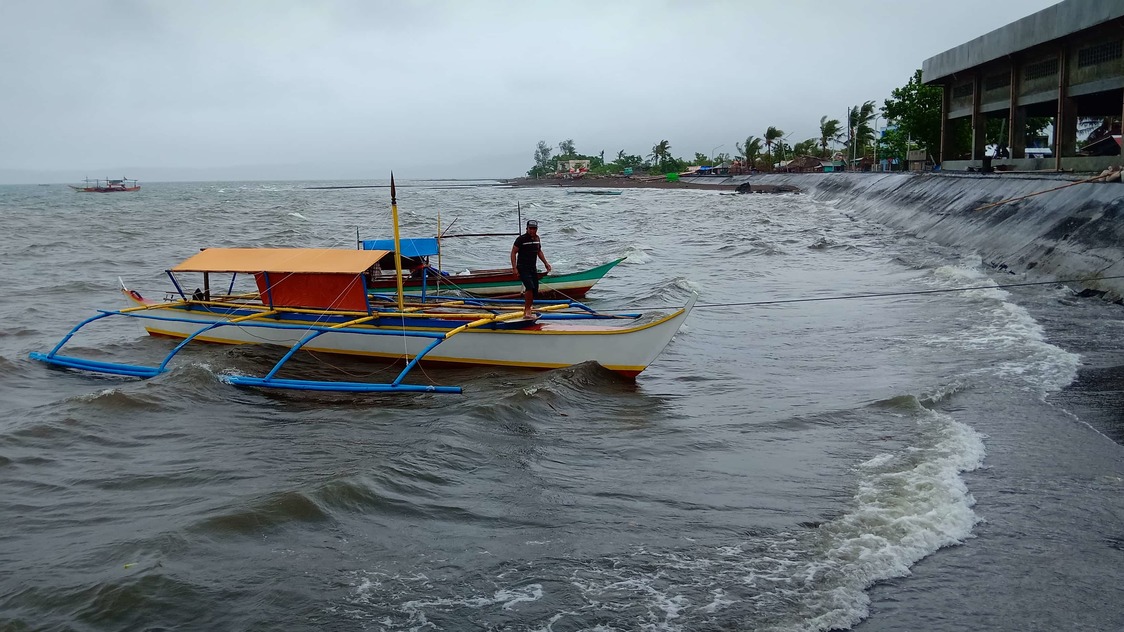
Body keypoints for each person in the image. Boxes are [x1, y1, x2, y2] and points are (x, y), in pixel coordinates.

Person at [510, 219, 551, 318]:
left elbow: (539, 251)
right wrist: (514, 268)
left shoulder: (537, 238)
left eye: (534, 229)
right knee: (529, 287)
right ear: (527, 229)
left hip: (533, 267)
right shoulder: (521, 239)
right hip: (522, 267)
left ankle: (527, 309)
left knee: (535, 289)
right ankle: (527, 310)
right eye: (530, 228)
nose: (532, 230)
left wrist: (546, 263)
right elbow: (513, 252)